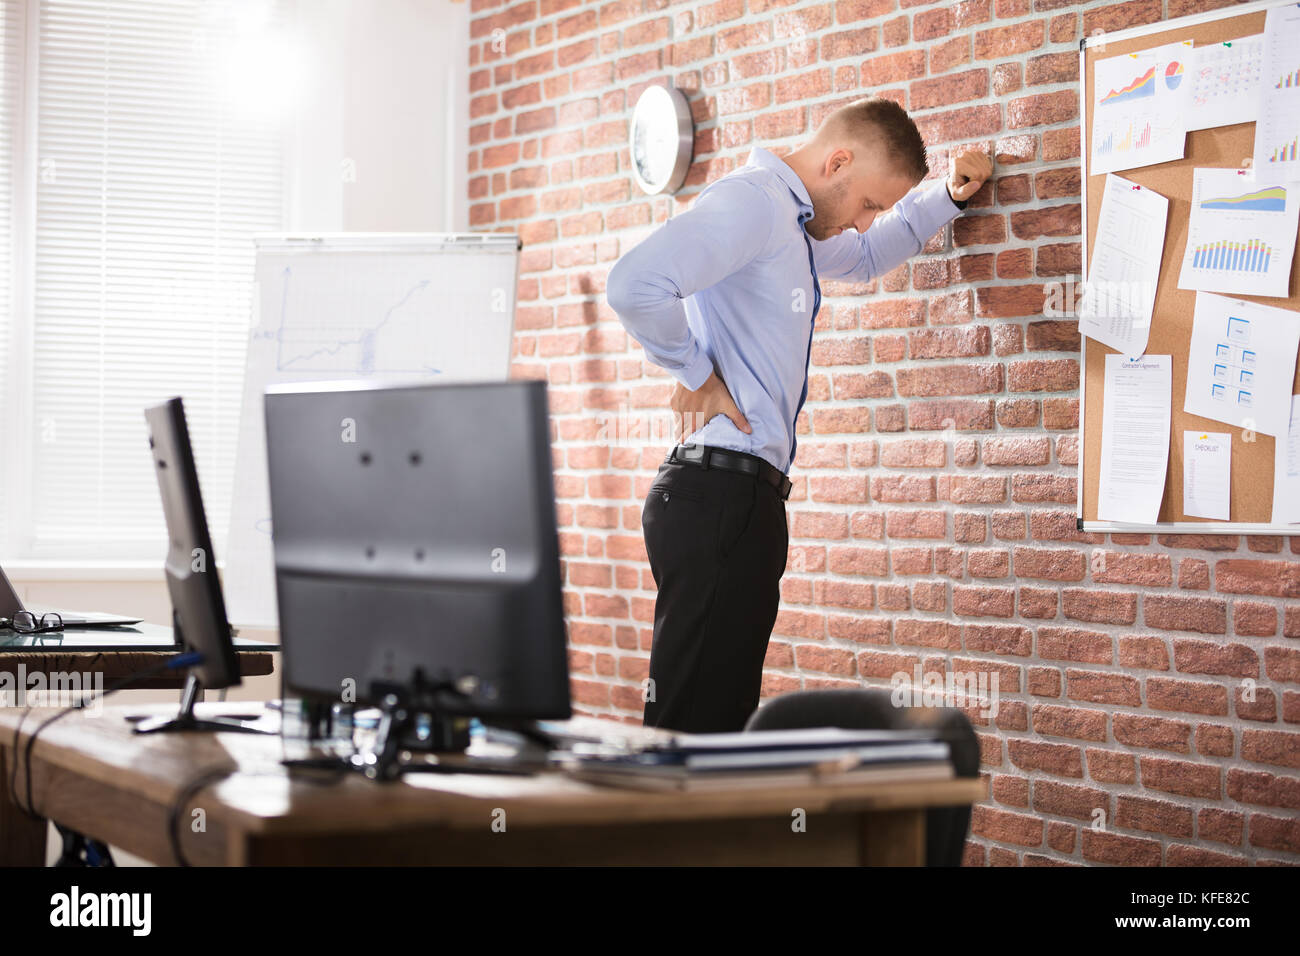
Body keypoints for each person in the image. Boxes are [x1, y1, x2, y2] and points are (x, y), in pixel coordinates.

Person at [606, 97, 993, 733]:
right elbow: (633, 285)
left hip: (734, 499)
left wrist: (947, 197)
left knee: (714, 724)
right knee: (695, 736)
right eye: (869, 203)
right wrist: (697, 376)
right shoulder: (756, 204)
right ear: (836, 161)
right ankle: (667, 834)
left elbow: (869, 258)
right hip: (722, 496)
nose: (867, 223)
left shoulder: (793, 225)